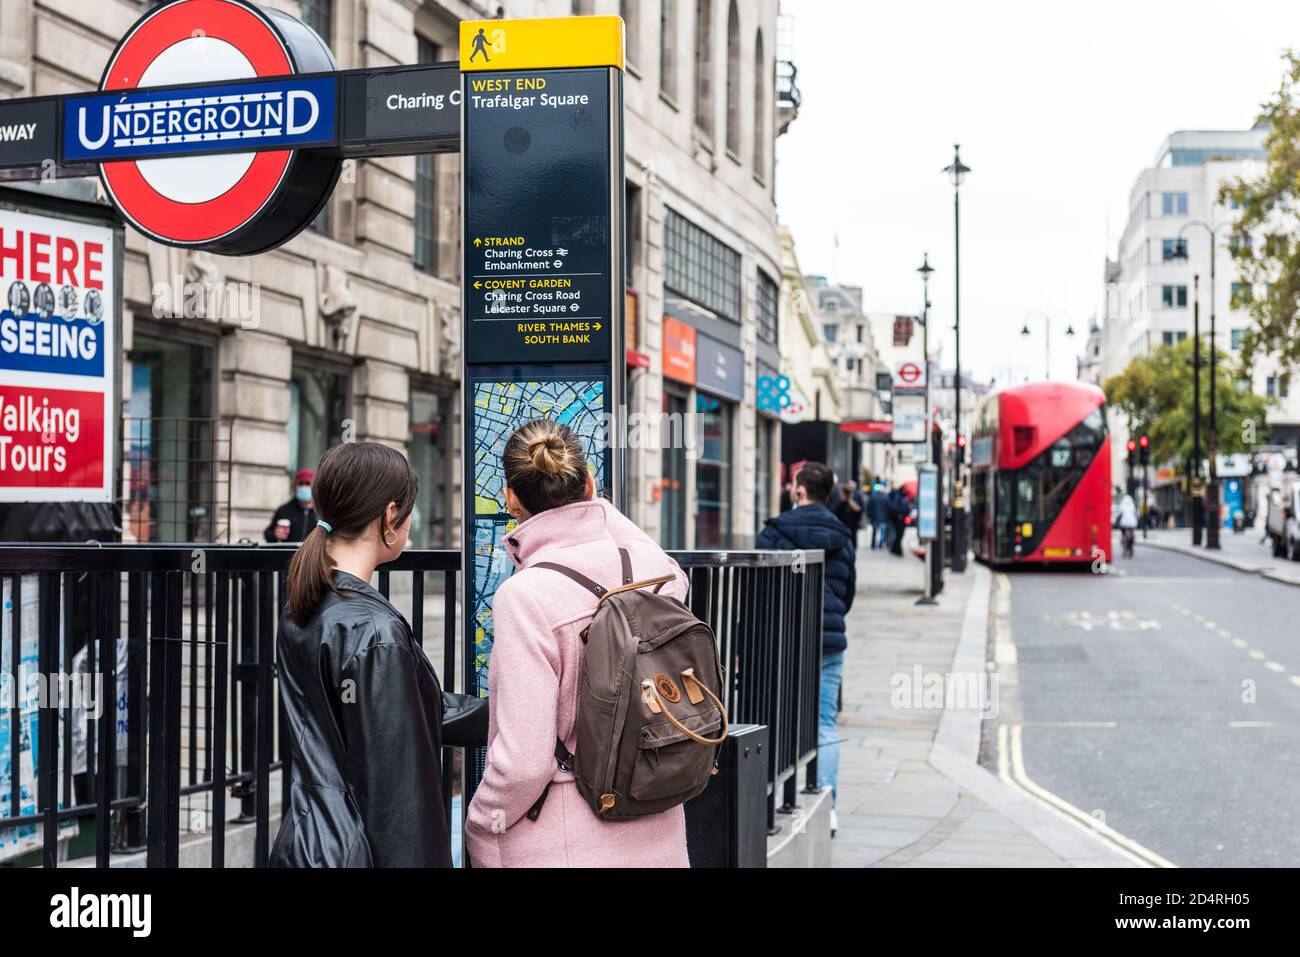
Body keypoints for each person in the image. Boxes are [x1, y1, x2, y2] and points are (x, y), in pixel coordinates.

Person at [465, 418, 692, 867]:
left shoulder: (525, 595)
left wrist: (480, 821)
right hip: (657, 820)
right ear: (590, 484)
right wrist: (594, 506)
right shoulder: (658, 569)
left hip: (562, 836)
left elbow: (524, 764)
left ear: (510, 498)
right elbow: (632, 538)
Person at [270, 442, 460, 867]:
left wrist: (504, 710)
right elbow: (399, 805)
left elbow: (401, 713)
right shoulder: (375, 632)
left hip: (313, 842)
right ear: (390, 515)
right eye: (410, 511)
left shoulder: (306, 602)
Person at [756, 462, 856, 836]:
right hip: (828, 641)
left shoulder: (775, 533)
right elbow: (847, 593)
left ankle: (772, 806)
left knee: (776, 719)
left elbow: (758, 592)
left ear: (798, 491)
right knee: (824, 724)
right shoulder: (843, 535)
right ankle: (826, 807)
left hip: (782, 638)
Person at [263, 468, 317, 542]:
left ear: (315, 487)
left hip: (314, 553)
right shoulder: (284, 510)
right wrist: (275, 534)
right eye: (301, 484)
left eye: (308, 483)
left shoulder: (322, 513)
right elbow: (268, 534)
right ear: (295, 486)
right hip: (289, 553)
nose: (304, 487)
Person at [832, 479, 865, 547]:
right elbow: (859, 514)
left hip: (844, 534)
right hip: (852, 533)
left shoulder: (840, 506)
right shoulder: (855, 506)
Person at [1113, 491, 1139, 558]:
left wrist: (1117, 519)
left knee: (1123, 534)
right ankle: (1132, 542)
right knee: (1132, 534)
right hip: (1132, 523)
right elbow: (1136, 514)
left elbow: (1119, 513)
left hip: (1124, 523)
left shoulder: (1122, 505)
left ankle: (1123, 540)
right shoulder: (1132, 505)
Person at [867, 484, 890, 549]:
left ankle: (873, 545)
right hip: (883, 518)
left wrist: (870, 516)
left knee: (874, 532)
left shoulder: (873, 497)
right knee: (882, 533)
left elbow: (869, 508)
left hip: (875, 518)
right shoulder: (886, 498)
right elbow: (888, 508)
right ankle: (881, 545)